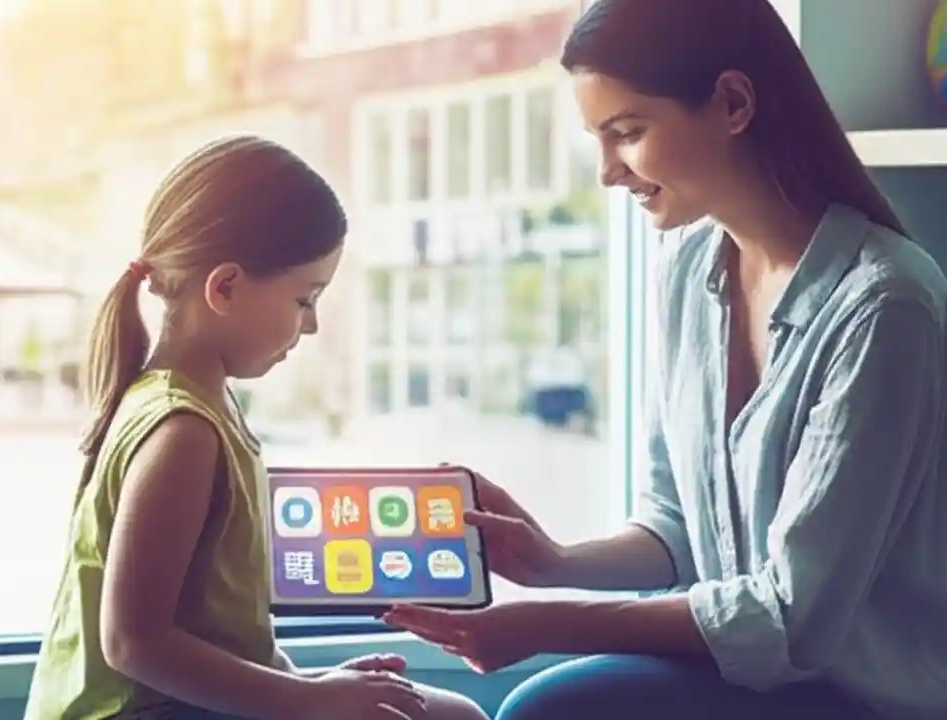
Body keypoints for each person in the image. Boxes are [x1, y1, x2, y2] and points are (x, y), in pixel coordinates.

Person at [382, 1, 947, 718]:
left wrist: (550, 621)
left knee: (549, 708)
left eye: (628, 133)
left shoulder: (885, 305)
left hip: (862, 697)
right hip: (757, 682)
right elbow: (678, 522)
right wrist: (554, 561)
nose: (607, 172)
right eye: (599, 138)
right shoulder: (686, 268)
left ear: (733, 103)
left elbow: (790, 618)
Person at [24, 135, 488, 720]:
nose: (312, 325)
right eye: (304, 299)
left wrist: (310, 682)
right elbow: (133, 644)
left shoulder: (206, 407)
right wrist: (304, 700)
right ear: (224, 287)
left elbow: (218, 628)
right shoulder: (181, 432)